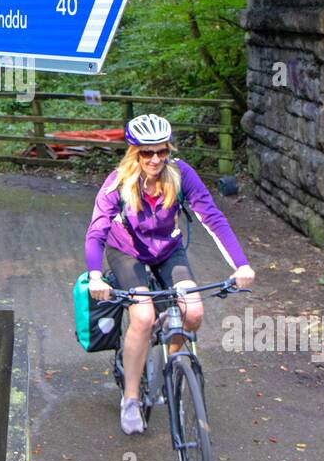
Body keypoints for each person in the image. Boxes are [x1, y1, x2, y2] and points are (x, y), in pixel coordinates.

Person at [84, 114, 254, 435]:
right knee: (144, 316)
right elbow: (96, 232)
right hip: (126, 253)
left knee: (193, 312)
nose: (155, 159)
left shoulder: (180, 174)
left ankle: (172, 368)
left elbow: (212, 218)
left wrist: (240, 264)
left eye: (161, 151)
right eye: (147, 153)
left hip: (167, 249)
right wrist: (95, 275)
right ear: (134, 152)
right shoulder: (119, 181)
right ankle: (131, 399)